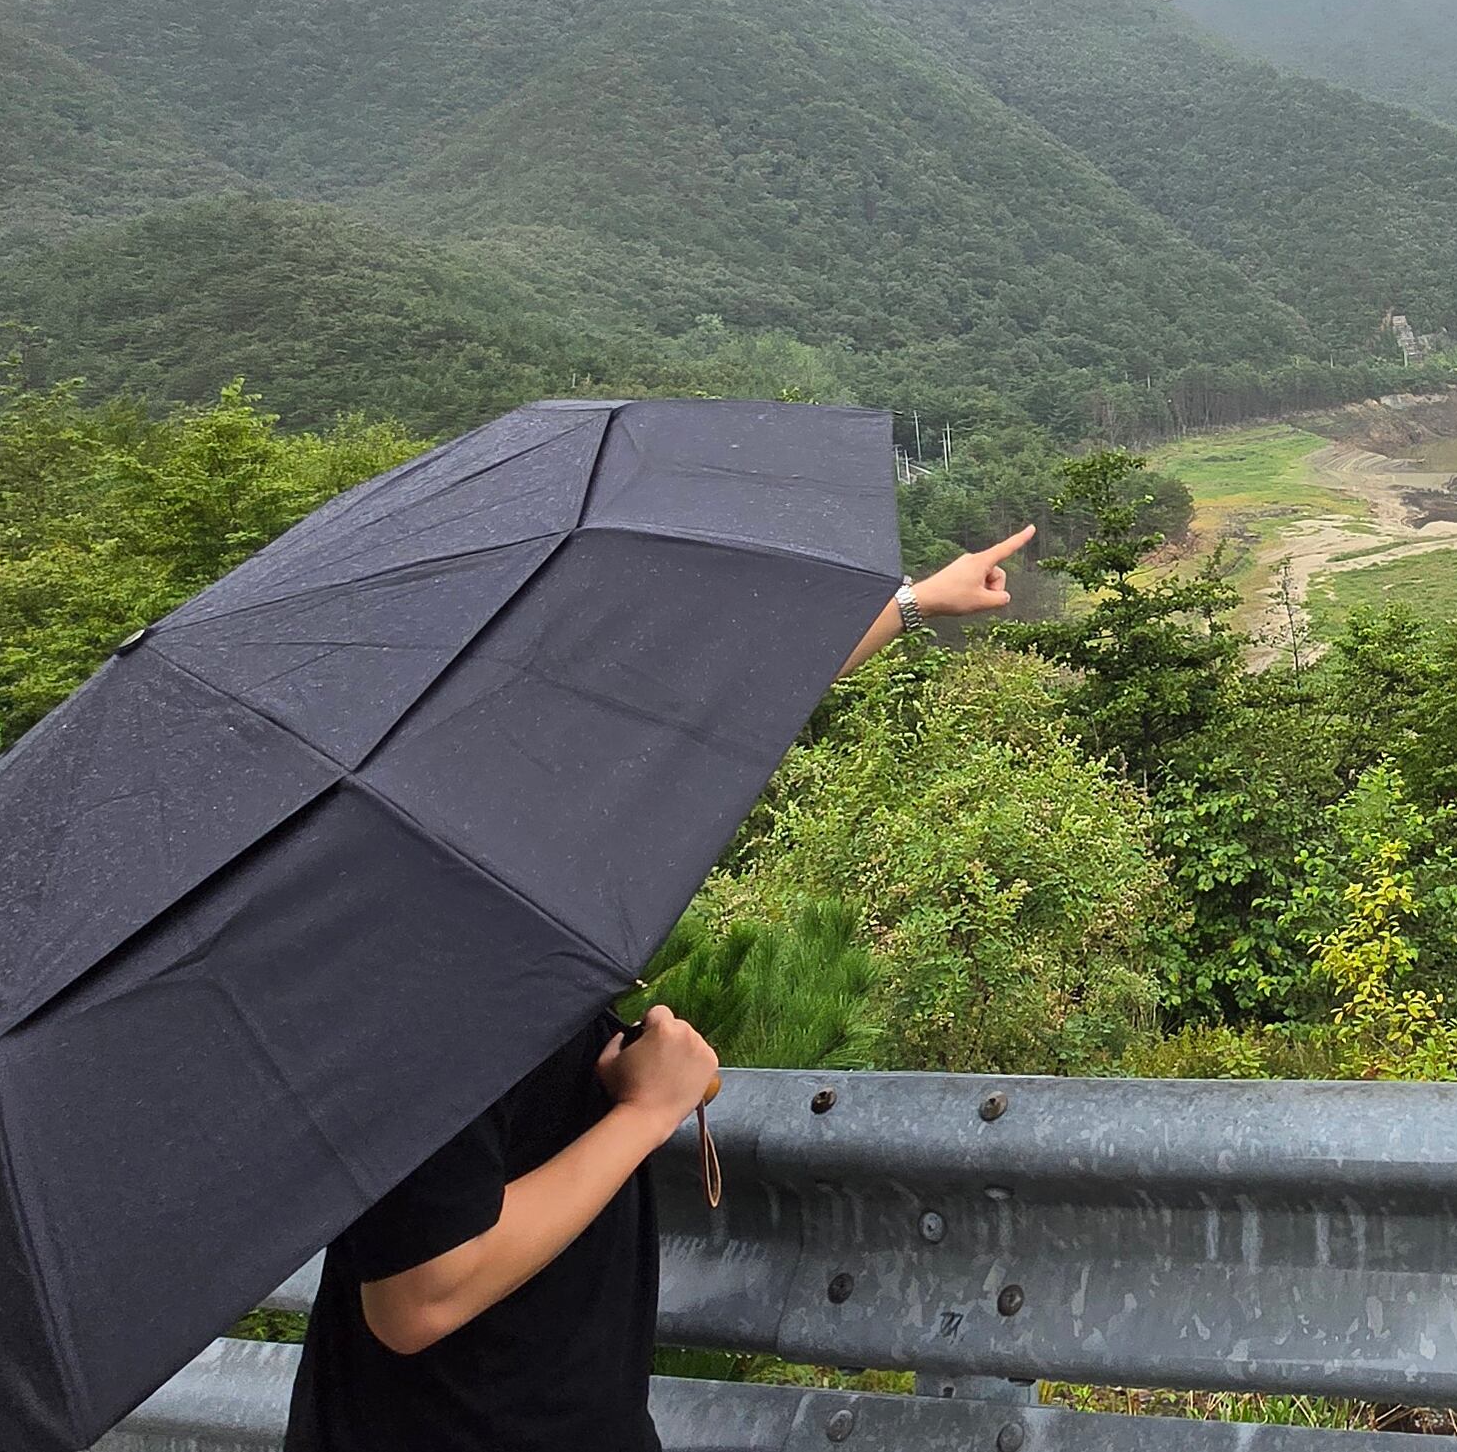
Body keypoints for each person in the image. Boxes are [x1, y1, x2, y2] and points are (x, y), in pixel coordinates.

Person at [284, 526, 1038, 1452]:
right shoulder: (434, 970)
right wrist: (649, 1110)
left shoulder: (489, 898)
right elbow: (417, 1296)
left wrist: (916, 602)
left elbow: (711, 717)